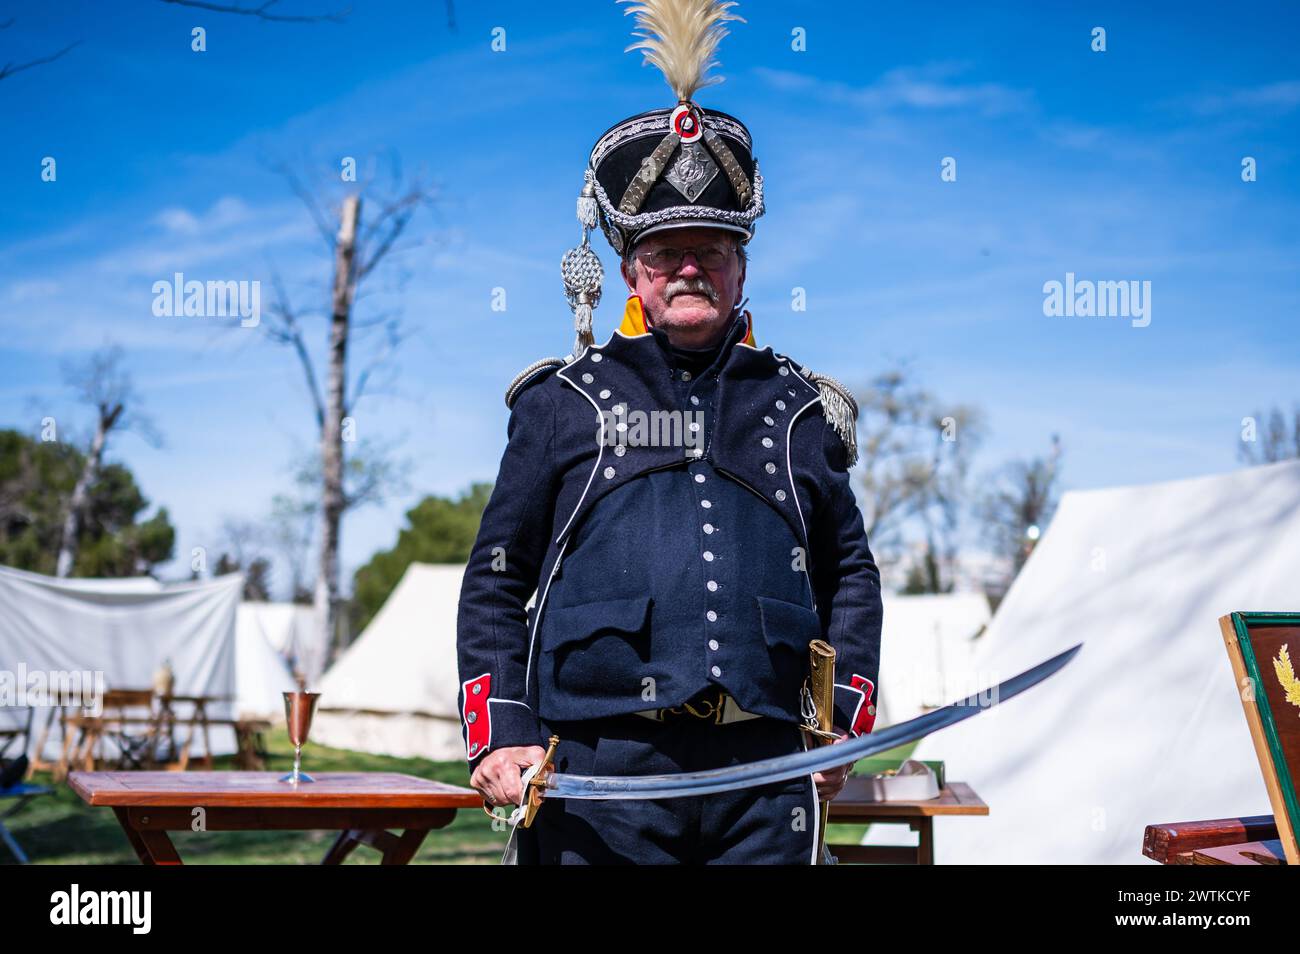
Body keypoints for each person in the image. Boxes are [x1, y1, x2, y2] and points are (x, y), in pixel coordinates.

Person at [456, 0, 882, 864]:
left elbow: (851, 575)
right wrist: (500, 732)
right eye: (665, 252)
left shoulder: (799, 409)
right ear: (630, 272)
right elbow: (498, 580)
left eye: (712, 249)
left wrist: (835, 719)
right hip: (598, 775)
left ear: (742, 266)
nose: (690, 265)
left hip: (766, 776)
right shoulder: (559, 403)